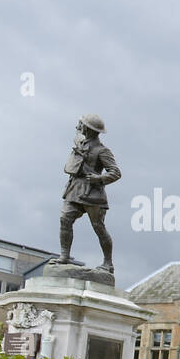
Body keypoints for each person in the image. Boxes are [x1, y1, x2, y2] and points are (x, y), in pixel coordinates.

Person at [54, 114, 121, 274]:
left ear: (88, 129)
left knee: (98, 227)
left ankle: (108, 263)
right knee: (65, 219)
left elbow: (115, 172)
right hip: (75, 189)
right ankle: (65, 255)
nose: (79, 126)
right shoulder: (80, 143)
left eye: (82, 124)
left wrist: (99, 178)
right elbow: (76, 136)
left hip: (93, 193)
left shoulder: (102, 151)